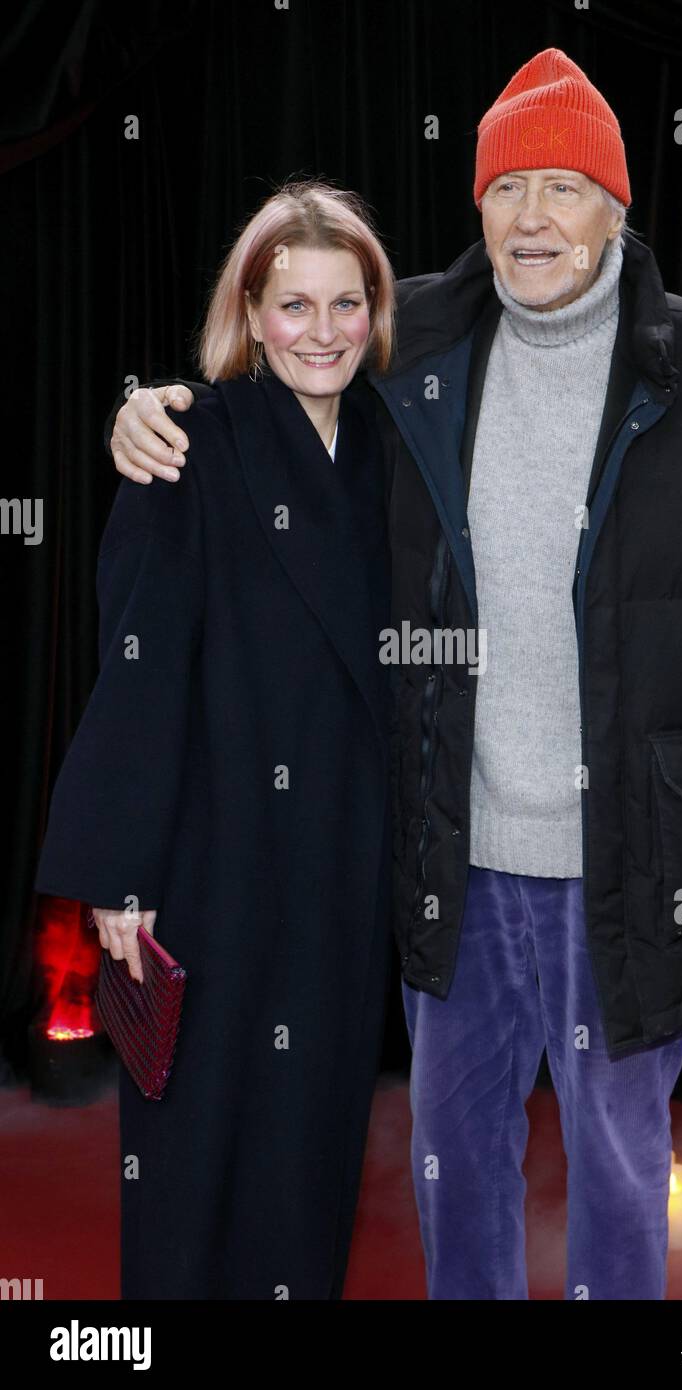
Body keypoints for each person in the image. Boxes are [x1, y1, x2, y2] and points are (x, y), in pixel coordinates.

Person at [106, 49, 682, 1300]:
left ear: (617, 208)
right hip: (457, 854)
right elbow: (284, 387)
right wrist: (151, 404)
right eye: (508, 188)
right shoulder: (414, 343)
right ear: (477, 206)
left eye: (564, 187)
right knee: (456, 1160)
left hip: (635, 856)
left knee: (618, 1166)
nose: (534, 217)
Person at [35, 181, 397, 1300]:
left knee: (309, 1162)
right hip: (210, 872)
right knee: (192, 1167)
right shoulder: (191, 437)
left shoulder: (401, 450)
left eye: (347, 304)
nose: (323, 332)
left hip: (342, 878)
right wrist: (123, 879)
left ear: (376, 314)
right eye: (294, 306)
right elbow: (136, 669)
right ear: (249, 312)